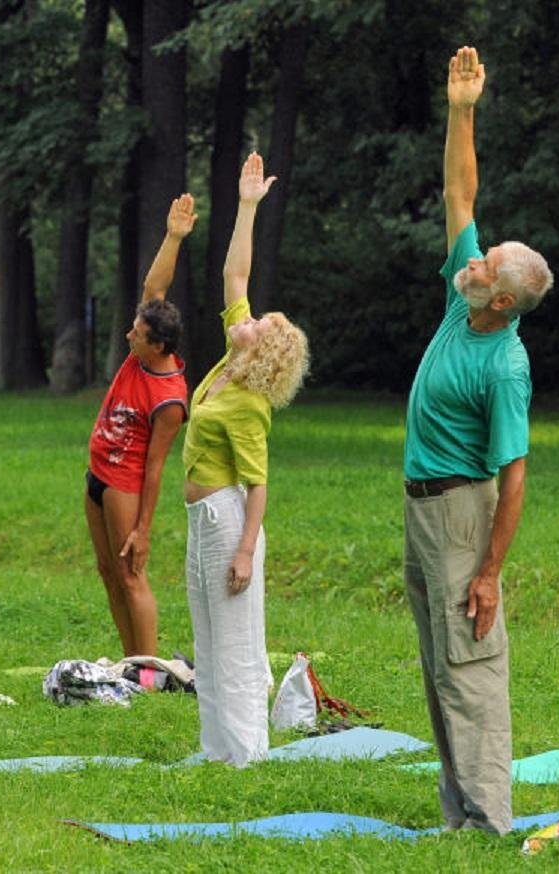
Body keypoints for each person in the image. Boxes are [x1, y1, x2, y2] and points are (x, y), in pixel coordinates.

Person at [402, 46, 554, 834]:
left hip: (464, 512)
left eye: (486, 264)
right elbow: (460, 193)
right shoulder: (465, 300)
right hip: (423, 508)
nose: (474, 258)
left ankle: (491, 817)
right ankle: (458, 811)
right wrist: (462, 110)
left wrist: (490, 571)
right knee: (439, 660)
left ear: (503, 299)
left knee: (470, 660)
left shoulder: (506, 367)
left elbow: (516, 477)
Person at [183, 152, 309, 767]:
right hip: (201, 520)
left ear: (264, 353)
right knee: (207, 643)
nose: (248, 317)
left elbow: (258, 485)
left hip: (229, 525)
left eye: (259, 322)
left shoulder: (250, 403)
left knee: (234, 644)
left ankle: (246, 756)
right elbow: (236, 275)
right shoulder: (231, 363)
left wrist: (243, 552)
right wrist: (247, 205)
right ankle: (218, 753)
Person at [86, 194, 195, 657]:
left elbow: (154, 468)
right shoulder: (142, 348)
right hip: (97, 474)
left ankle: (148, 672)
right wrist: (173, 236)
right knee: (108, 572)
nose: (129, 333)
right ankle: (130, 661)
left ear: (159, 346)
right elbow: (155, 285)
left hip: (125, 485)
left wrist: (143, 529)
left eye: (137, 333)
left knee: (131, 575)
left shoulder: (169, 399)